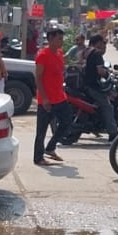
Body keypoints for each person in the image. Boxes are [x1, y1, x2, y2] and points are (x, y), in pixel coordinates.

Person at [32, 26, 73, 166]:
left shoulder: (60, 53)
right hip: (47, 99)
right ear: (50, 39)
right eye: (59, 39)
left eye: (62, 39)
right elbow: (38, 78)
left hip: (60, 97)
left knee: (67, 122)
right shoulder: (43, 55)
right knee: (41, 130)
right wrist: (44, 98)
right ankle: (38, 158)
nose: (61, 42)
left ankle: (50, 148)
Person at [82, 34, 118, 141]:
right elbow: (100, 71)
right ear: (97, 42)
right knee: (107, 106)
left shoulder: (86, 51)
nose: (104, 45)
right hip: (93, 86)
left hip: (85, 84)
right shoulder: (96, 53)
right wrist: (108, 75)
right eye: (103, 43)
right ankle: (113, 132)